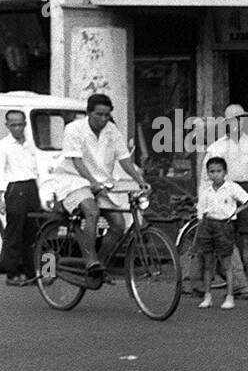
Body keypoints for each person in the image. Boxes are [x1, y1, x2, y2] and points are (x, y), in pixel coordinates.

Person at [48, 93, 150, 275]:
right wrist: (92, 182)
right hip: (73, 180)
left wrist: (140, 181)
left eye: (107, 115)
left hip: (102, 183)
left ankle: (99, 264)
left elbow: (124, 159)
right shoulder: (74, 129)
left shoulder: (112, 130)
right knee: (92, 211)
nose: (103, 119)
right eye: (99, 115)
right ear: (88, 113)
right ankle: (90, 260)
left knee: (118, 225)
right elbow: (77, 162)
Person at [203, 105, 248, 294]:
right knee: (225, 236)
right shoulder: (217, 146)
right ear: (228, 123)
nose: (240, 122)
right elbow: (209, 174)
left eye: (243, 119)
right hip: (226, 190)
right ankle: (233, 279)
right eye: (237, 119)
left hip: (245, 189)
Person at [194, 156, 248, 310]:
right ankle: (207, 296)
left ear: (225, 172)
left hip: (224, 225)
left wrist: (234, 213)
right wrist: (201, 225)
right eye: (212, 171)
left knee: (227, 263)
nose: (215, 174)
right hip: (208, 224)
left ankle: (230, 295)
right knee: (208, 263)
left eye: (218, 171)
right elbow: (200, 210)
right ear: (208, 173)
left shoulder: (232, 188)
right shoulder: (206, 191)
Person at [0, 107, 43, 285]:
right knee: (14, 232)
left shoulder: (31, 143)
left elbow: (38, 168)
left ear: (25, 124)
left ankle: (38, 272)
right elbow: (0, 172)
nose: (17, 128)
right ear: (7, 125)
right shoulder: (4, 145)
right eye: (13, 125)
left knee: (35, 231)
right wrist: (1, 198)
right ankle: (12, 274)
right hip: (15, 187)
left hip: (32, 187)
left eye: (20, 124)